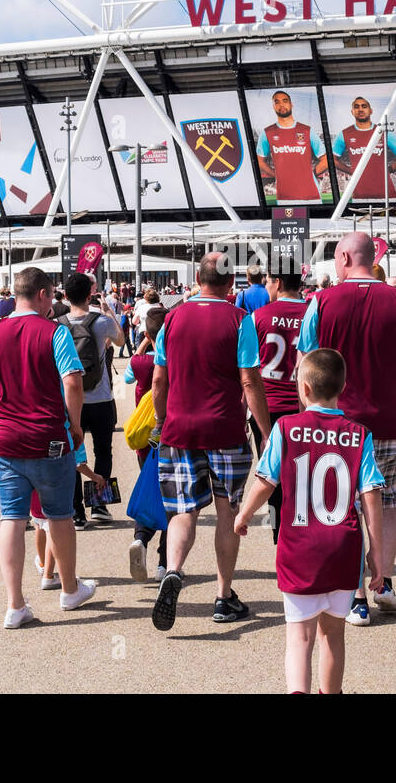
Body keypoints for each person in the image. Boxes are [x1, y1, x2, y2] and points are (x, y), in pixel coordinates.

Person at [297, 232, 396, 624]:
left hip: (337, 425)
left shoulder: (321, 301)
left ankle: (356, 595)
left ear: (343, 257)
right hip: (388, 422)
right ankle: (384, 580)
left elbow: (305, 361)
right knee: (389, 504)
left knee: (346, 509)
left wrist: (309, 410)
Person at [235, 348, 385, 694]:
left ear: (303, 389)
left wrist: (244, 514)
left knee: (299, 636)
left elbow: (265, 481)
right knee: (333, 635)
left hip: (298, 549)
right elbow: (371, 495)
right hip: (343, 547)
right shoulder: (358, 434)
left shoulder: (286, 428)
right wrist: (376, 552)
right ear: (343, 387)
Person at [149, 251, 272, 631]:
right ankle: (223, 596)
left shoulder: (173, 318)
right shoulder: (240, 321)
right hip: (225, 431)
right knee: (227, 513)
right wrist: (266, 433)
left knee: (184, 510)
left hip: (180, 430)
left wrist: (161, 419)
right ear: (230, 284)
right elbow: (249, 380)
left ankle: (173, 570)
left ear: (198, 280)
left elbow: (158, 380)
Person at [0, 267, 104, 628]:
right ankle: (69, 589)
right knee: (59, 515)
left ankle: (15, 605)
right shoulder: (55, 333)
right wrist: (75, 425)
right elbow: (73, 382)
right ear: (45, 295)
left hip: (6, 440)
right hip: (48, 437)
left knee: (12, 517)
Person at [249, 271, 310, 553]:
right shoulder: (313, 313)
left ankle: (279, 537)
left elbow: (248, 371)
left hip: (268, 408)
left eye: (269, 282)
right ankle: (301, 535)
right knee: (303, 476)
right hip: (304, 406)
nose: (266, 287)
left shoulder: (258, 317)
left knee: (271, 479)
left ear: (279, 283)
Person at [62, 272, 125, 527]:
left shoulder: (57, 324)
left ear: (65, 296)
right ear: (91, 294)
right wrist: (108, 311)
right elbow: (120, 340)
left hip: (70, 399)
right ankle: (99, 504)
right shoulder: (100, 322)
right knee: (103, 451)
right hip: (101, 397)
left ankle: (76, 511)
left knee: (73, 455)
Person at [124, 306, 168, 583]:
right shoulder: (176, 361)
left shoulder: (139, 363)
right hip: (172, 435)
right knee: (175, 502)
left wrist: (142, 345)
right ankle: (166, 563)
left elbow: (127, 378)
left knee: (151, 492)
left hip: (146, 439)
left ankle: (141, 539)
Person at [256, 90, 329, 204]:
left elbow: (326, 160)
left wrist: (311, 174)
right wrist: (276, 176)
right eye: (277, 102)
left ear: (291, 104)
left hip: (310, 194)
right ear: (274, 106)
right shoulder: (267, 133)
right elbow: (260, 161)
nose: (281, 104)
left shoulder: (307, 130)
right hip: (284, 196)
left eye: (285, 101)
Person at [332, 96, 396, 202]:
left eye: (364, 106)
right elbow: (332, 160)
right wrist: (350, 171)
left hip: (386, 194)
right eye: (356, 107)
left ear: (370, 111)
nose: (360, 109)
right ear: (352, 112)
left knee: (392, 218)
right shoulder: (344, 134)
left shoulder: (384, 131)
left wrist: (388, 170)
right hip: (359, 195)